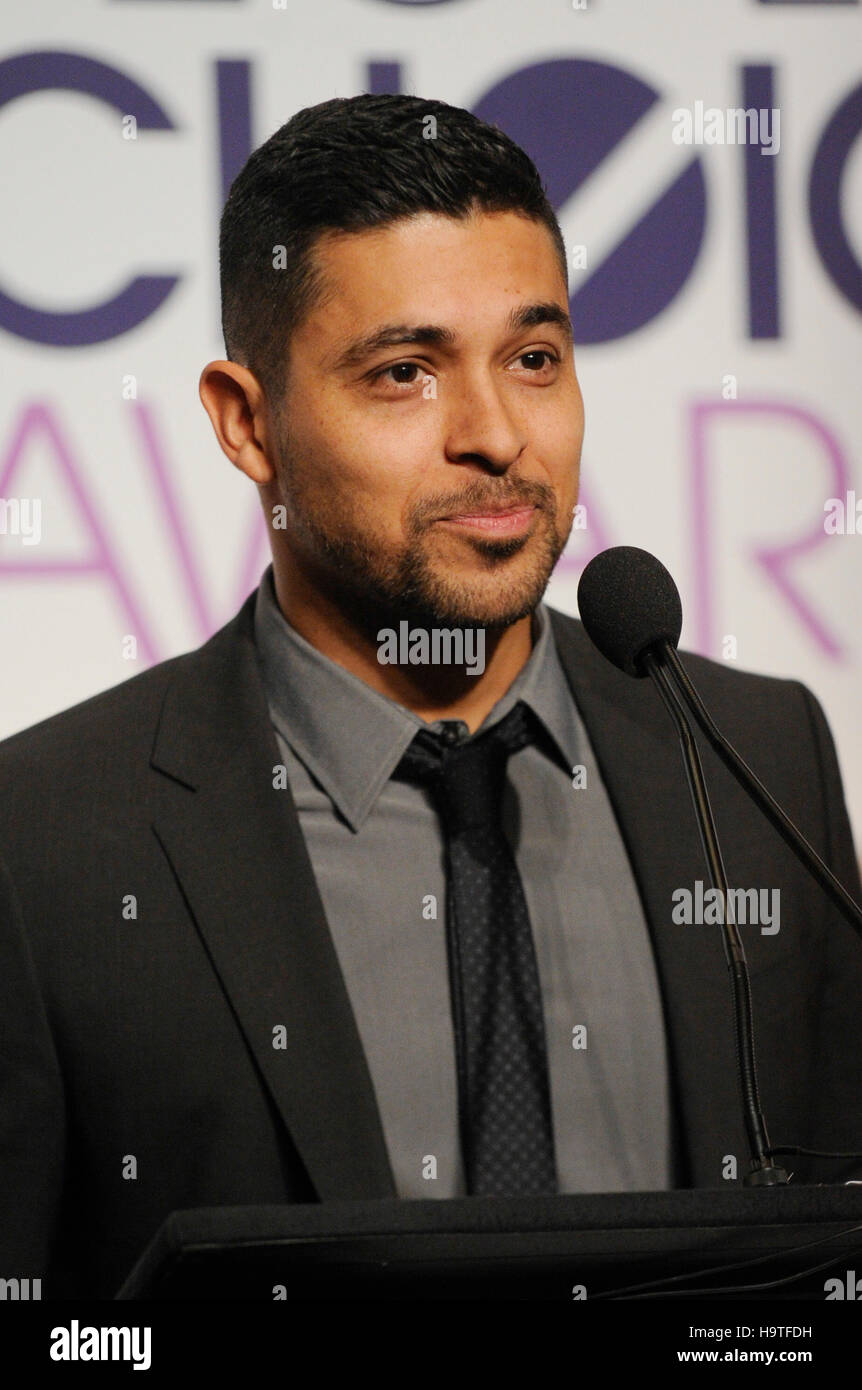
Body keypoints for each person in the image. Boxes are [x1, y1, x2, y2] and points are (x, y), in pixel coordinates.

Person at [1, 93, 861, 1301]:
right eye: (405, 372)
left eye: (533, 358)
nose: (498, 434)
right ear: (248, 423)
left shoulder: (757, 758)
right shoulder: (42, 841)